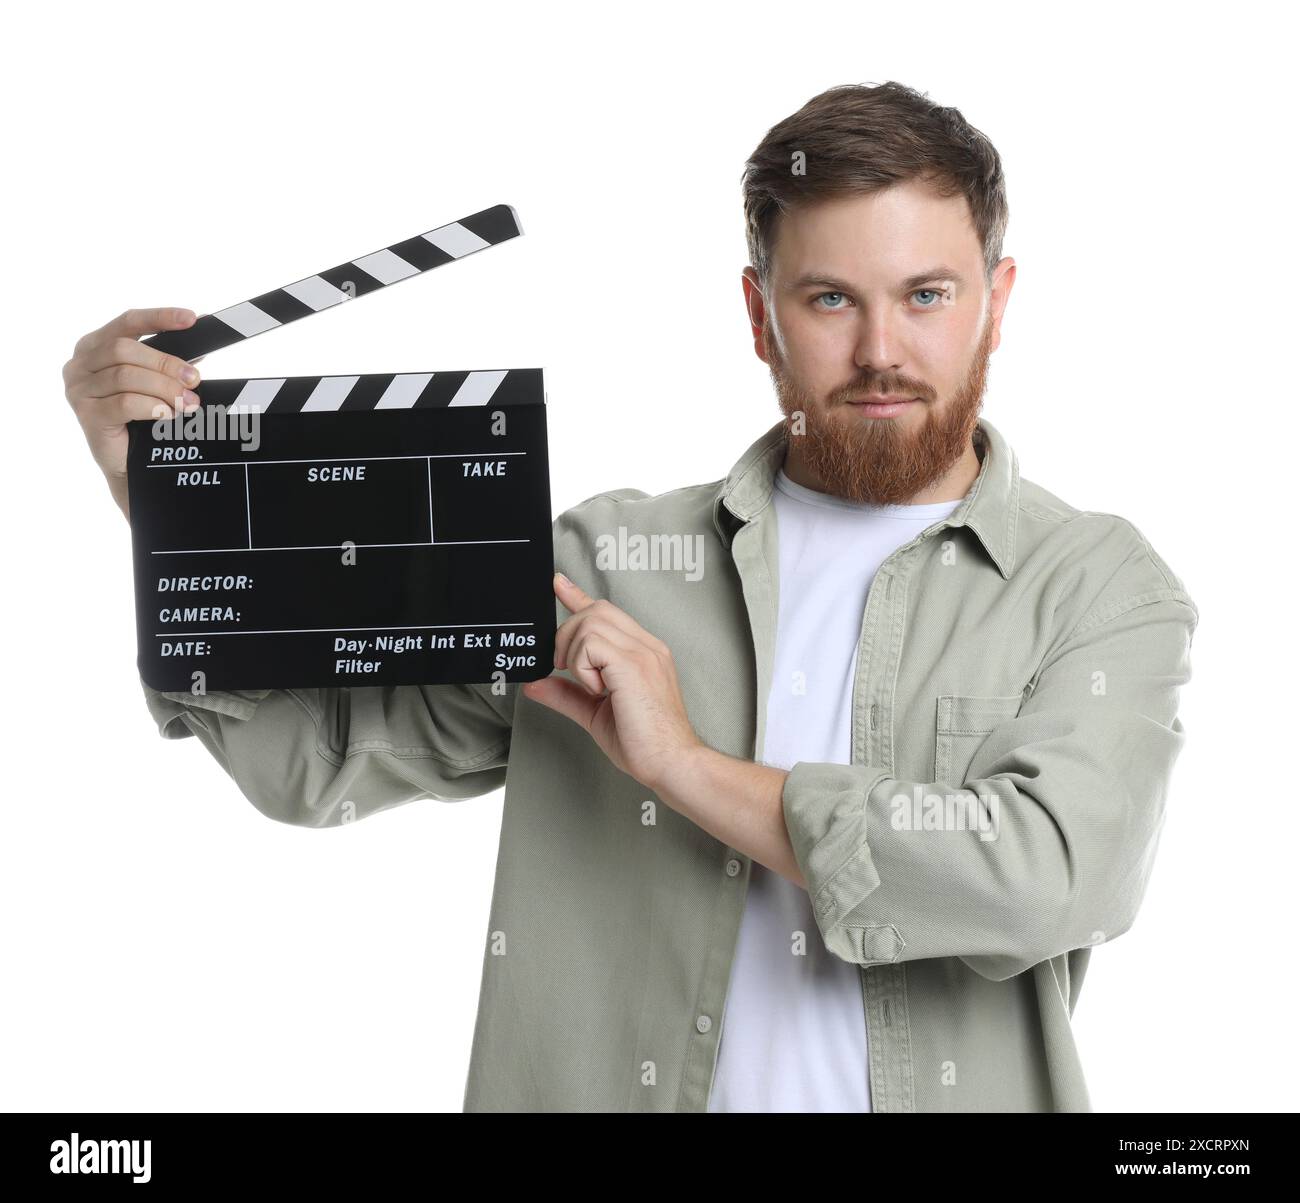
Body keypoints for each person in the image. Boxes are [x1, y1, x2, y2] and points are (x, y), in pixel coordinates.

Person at [63, 80, 1198, 1113]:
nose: (880, 350)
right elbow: (315, 763)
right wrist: (164, 503)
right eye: (829, 300)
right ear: (759, 315)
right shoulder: (605, 565)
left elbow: (1049, 876)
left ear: (996, 302)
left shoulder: (1096, 588)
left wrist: (684, 765)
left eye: (927, 295)